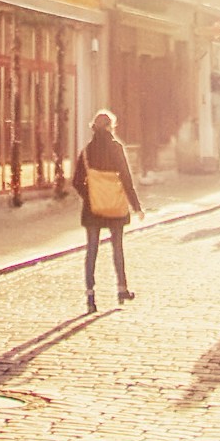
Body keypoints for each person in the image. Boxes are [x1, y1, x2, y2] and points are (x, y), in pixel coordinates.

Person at [73, 109, 141, 307]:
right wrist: (136, 206)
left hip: (92, 209)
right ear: (110, 127)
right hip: (115, 207)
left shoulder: (87, 151)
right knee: (117, 248)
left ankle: (90, 296)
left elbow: (77, 181)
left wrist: (90, 196)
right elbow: (126, 179)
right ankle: (122, 289)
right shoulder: (116, 148)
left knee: (92, 250)